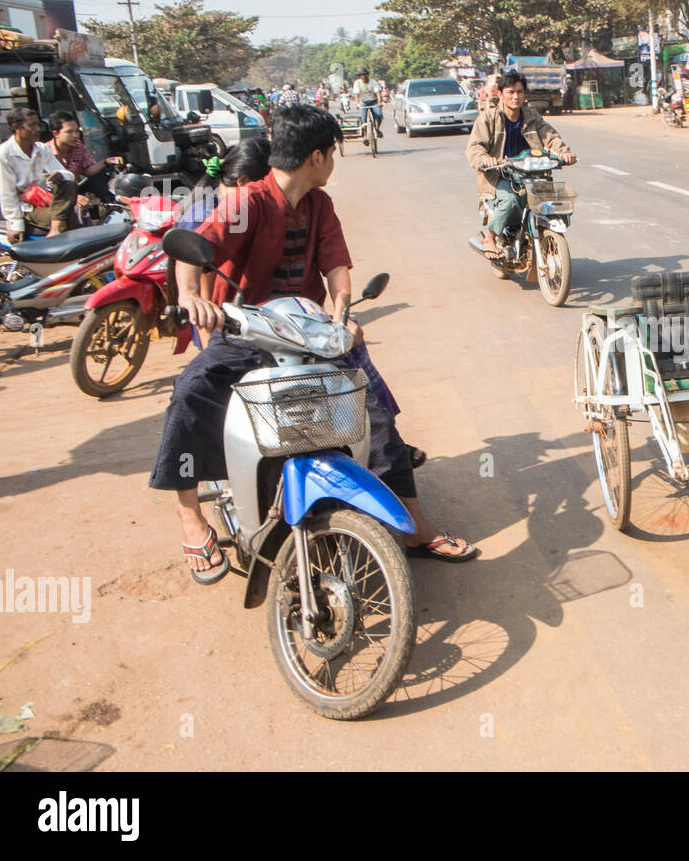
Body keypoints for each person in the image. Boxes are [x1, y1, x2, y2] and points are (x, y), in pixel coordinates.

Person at [150, 105, 476, 582]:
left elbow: (337, 271)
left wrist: (343, 312)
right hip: (245, 331)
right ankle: (190, 516)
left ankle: (412, 524)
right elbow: (194, 252)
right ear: (317, 156)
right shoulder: (248, 203)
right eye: (334, 153)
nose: (335, 162)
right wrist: (190, 297)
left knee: (372, 413)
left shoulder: (320, 205)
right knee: (192, 392)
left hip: (308, 332)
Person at [466, 70, 576, 259]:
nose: (515, 96)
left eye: (519, 91)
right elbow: (475, 147)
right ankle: (490, 237)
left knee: (555, 201)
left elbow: (550, 137)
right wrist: (485, 159)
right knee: (511, 201)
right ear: (501, 94)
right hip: (500, 174)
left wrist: (564, 152)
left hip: (533, 174)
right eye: (510, 92)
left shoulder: (532, 117)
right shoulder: (488, 118)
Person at [0, 107, 79, 243]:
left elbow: (69, 176)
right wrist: (15, 225)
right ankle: (56, 231)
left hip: (48, 198)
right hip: (27, 207)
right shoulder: (3, 155)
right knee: (69, 219)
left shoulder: (41, 149)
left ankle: (55, 227)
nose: (37, 129)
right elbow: (7, 193)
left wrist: (59, 175)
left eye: (38, 125)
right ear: (16, 127)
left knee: (68, 183)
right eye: (31, 125)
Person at [47, 110, 121, 217]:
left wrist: (107, 161)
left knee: (98, 178)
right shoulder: (45, 152)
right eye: (69, 132)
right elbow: (46, 187)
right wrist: (73, 198)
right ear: (56, 133)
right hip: (56, 197)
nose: (75, 135)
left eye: (77, 131)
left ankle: (113, 207)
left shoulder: (78, 146)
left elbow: (88, 170)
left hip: (75, 190)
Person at [352, 68, 384, 137]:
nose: (364, 76)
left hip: (373, 101)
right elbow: (356, 94)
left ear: (368, 75)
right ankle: (365, 135)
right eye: (362, 75)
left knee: (379, 115)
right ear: (360, 76)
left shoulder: (373, 82)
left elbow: (378, 93)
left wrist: (379, 102)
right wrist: (357, 104)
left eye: (365, 74)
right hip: (364, 102)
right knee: (363, 120)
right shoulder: (357, 83)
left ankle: (377, 129)